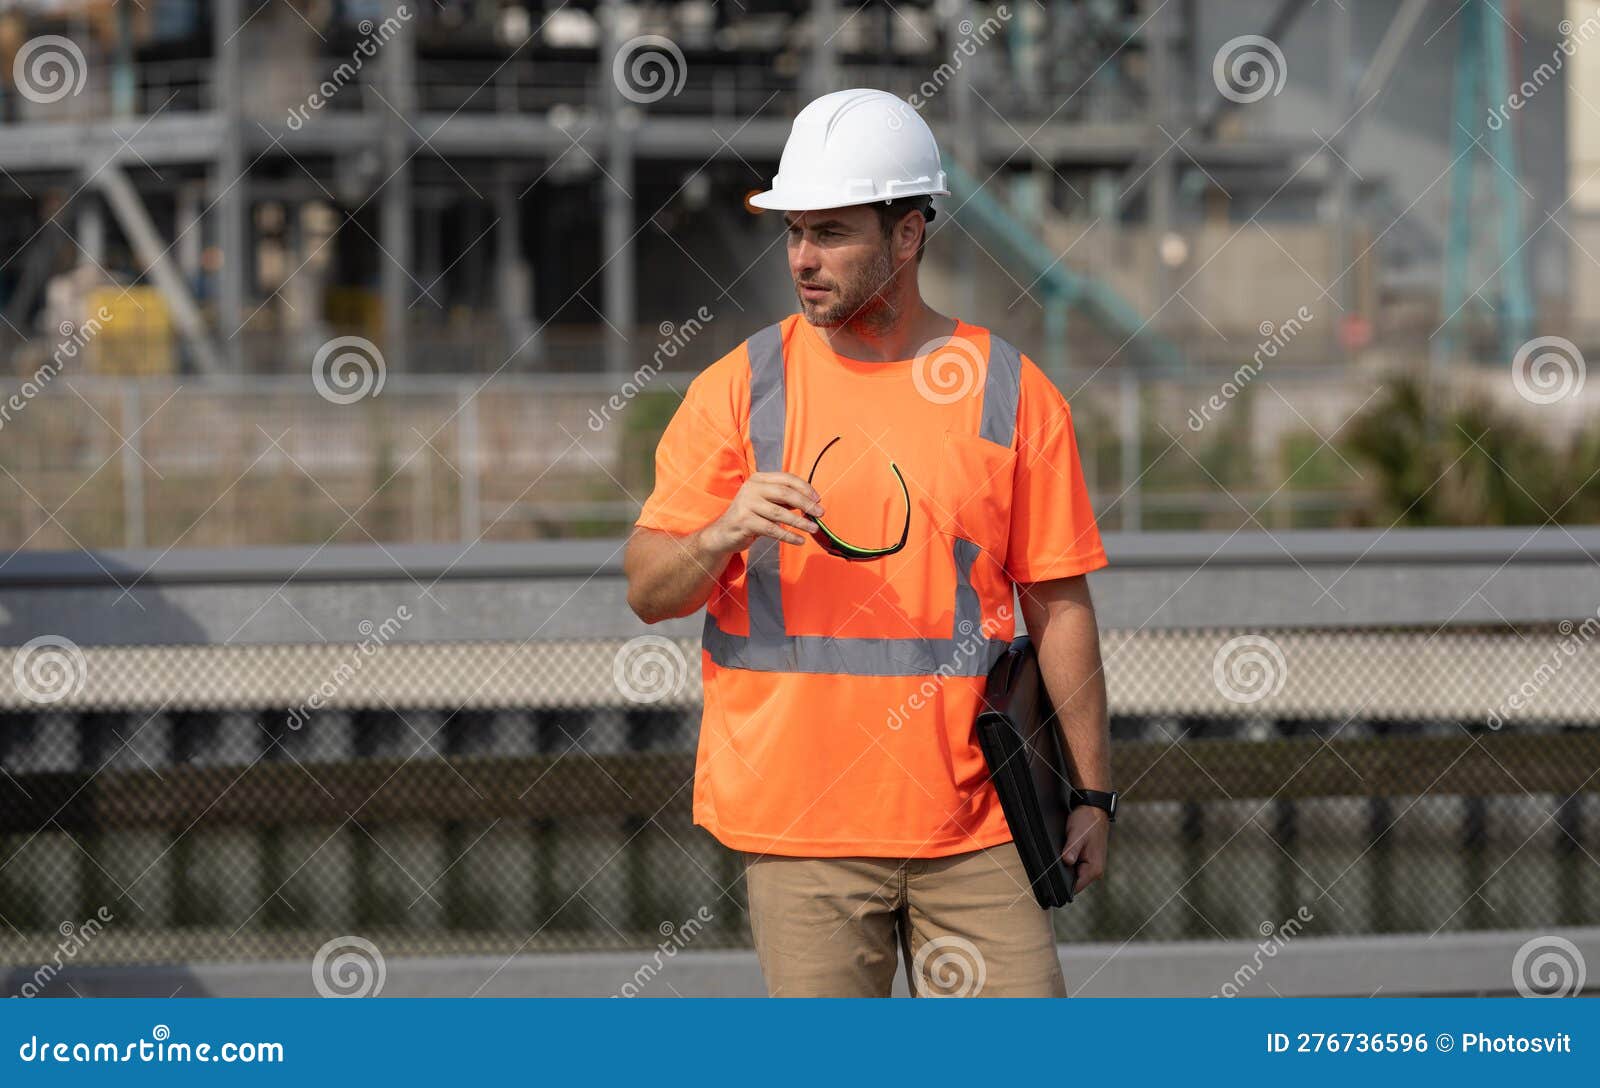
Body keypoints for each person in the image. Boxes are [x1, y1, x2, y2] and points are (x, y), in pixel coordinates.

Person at [623, 88, 1114, 998]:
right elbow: (649, 589)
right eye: (794, 233)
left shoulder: (1009, 391)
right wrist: (722, 531)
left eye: (831, 233)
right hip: (799, 831)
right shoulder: (738, 390)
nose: (802, 259)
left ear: (908, 234)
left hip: (979, 825)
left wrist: (1091, 796)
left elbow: (1060, 607)